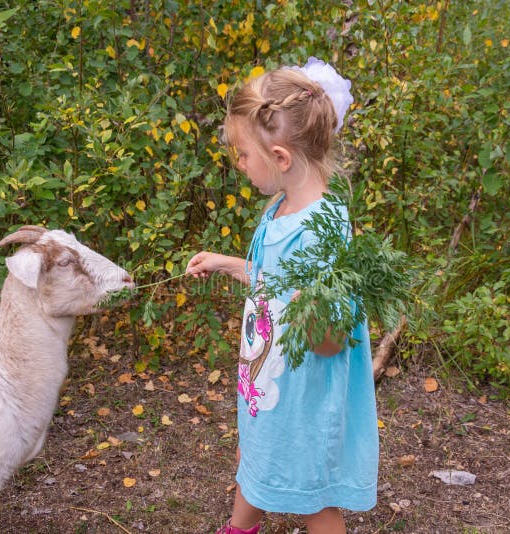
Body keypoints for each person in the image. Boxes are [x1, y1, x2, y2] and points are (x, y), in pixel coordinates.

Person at [185, 58, 378, 534]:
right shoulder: (283, 209)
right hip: (271, 382)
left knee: (311, 495)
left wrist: (301, 305)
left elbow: (330, 340)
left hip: (303, 396)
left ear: (280, 156)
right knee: (256, 460)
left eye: (243, 156)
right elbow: (275, 279)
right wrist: (229, 264)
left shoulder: (323, 231)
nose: (241, 166)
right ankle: (239, 527)